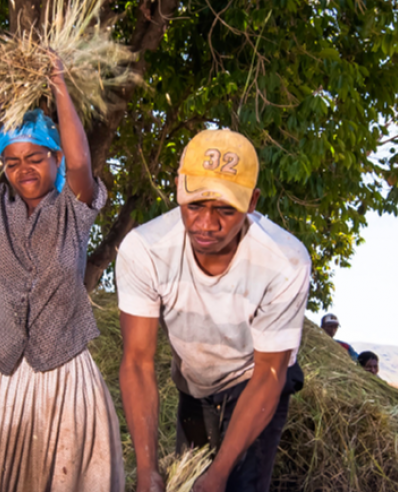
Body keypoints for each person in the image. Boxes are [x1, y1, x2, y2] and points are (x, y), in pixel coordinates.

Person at [0, 59, 123, 491]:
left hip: (63, 375)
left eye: (35, 157)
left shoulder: (74, 210)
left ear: (56, 159)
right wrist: (3, 92)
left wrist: (57, 82)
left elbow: (82, 161)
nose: (23, 168)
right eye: (11, 162)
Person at [117, 129, 311, 492]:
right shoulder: (145, 249)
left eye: (225, 209)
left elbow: (270, 373)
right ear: (178, 189)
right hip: (194, 383)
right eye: (194, 206)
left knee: (236, 483)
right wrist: (147, 469)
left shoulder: (285, 261)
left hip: (254, 379)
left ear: (252, 202)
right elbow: (138, 361)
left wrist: (220, 474)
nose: (206, 224)